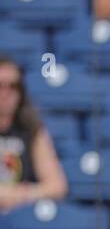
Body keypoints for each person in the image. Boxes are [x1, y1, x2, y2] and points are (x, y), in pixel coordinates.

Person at [0, 55, 68, 212]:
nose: (6, 93)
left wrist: (23, 193)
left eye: (13, 86)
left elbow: (57, 186)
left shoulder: (32, 130)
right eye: (0, 85)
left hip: (20, 215)